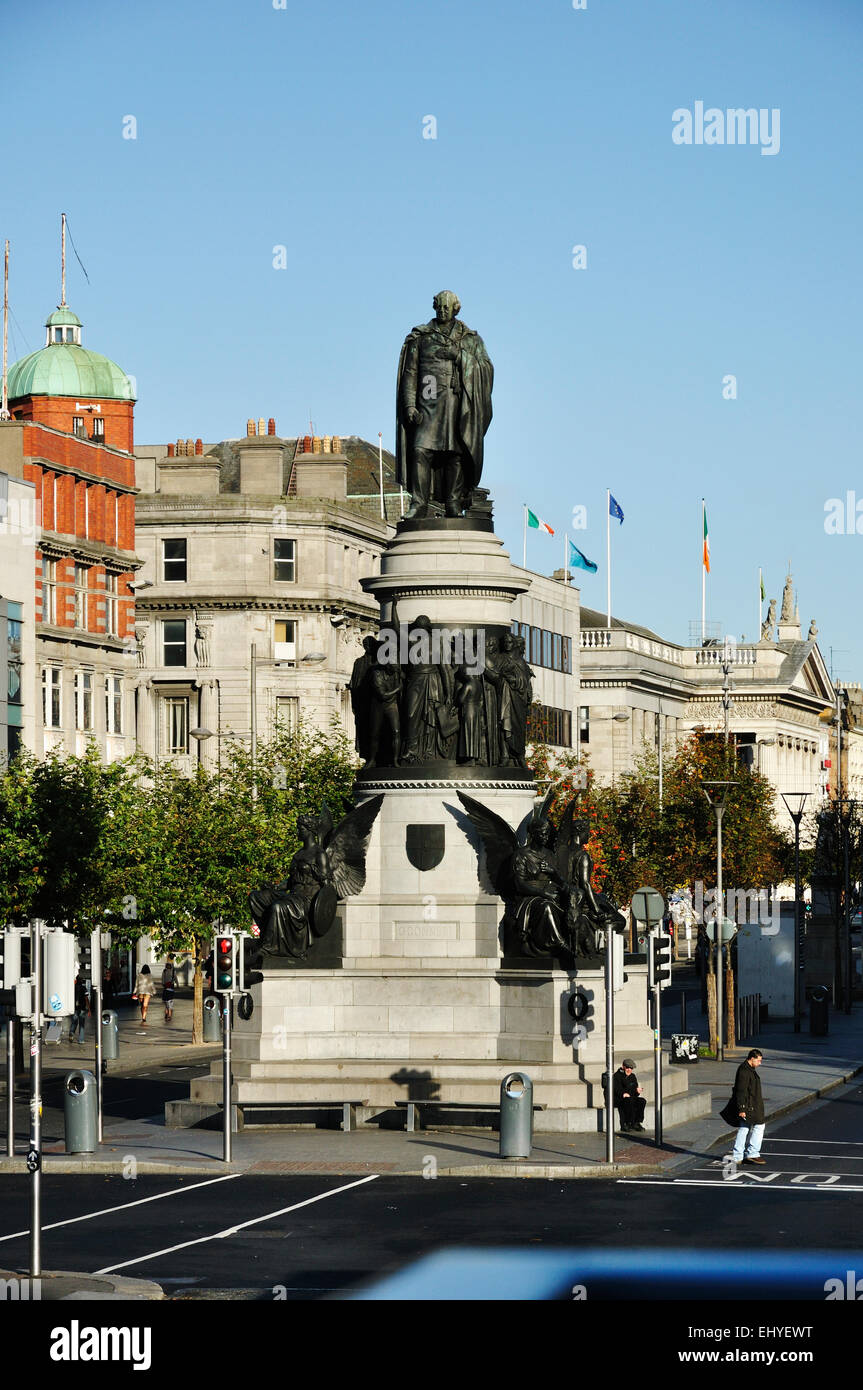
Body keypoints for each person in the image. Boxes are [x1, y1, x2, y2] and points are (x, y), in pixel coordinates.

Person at [396, 290, 494, 518]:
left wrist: (459, 355)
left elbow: (486, 368)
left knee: (455, 454)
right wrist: (410, 405)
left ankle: (453, 502)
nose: (442, 310)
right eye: (439, 306)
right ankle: (418, 503)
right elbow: (410, 373)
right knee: (420, 450)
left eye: (446, 307)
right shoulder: (420, 338)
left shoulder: (470, 339)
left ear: (455, 309)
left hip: (456, 406)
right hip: (427, 405)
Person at [728, 1048, 765, 1164]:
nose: (760, 1063)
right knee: (759, 1125)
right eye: (758, 1060)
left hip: (751, 1104)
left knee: (744, 1128)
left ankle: (738, 1155)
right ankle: (752, 1153)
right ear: (752, 1058)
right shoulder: (744, 1071)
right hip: (750, 1106)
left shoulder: (748, 1068)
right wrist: (742, 1108)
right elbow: (741, 1091)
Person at [613, 1057, 646, 1133]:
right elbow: (616, 1089)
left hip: (630, 1097)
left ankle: (637, 1122)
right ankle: (627, 1123)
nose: (629, 1070)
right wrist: (623, 1094)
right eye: (627, 1068)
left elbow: (635, 1091)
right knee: (628, 1101)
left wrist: (637, 1091)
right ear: (623, 1067)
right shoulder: (617, 1076)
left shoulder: (632, 1076)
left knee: (642, 1101)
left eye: (631, 1068)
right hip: (620, 1098)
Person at [68, 975, 90, 1046]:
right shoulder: (84, 988)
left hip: (74, 1008)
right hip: (82, 1009)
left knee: (74, 1022)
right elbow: (86, 998)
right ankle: (81, 1040)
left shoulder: (72, 988)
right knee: (81, 1024)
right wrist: (89, 1009)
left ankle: (71, 1032)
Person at [161, 955, 178, 1022]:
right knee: (168, 1001)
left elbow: (175, 978)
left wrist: (177, 984)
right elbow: (163, 978)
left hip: (168, 987)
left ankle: (168, 1013)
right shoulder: (165, 971)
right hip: (168, 987)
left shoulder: (172, 971)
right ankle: (168, 1014)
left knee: (168, 1001)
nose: (168, 966)